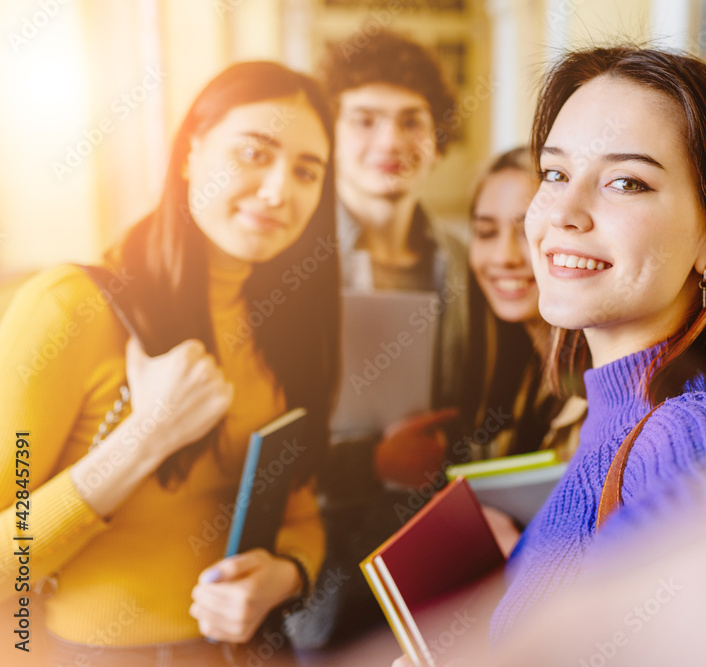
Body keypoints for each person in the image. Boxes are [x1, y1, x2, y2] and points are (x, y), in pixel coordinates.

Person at [0, 61, 339, 663]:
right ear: (190, 152)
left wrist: (283, 576)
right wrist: (145, 438)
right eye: (254, 153)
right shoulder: (68, 308)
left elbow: (301, 513)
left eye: (306, 171)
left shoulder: (287, 328)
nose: (278, 189)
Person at [480, 45, 706, 642]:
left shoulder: (691, 438)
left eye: (625, 182)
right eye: (554, 173)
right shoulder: (615, 413)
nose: (565, 213)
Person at [290, 31, 470, 650]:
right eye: (364, 120)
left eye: (410, 121)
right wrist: (368, 463)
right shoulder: (288, 266)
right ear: (332, 136)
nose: (390, 142)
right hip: (313, 578)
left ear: (437, 136)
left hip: (437, 567)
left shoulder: (469, 263)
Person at [458, 146, 585, 466]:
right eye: (486, 233)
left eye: (526, 231)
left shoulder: (599, 394)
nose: (504, 257)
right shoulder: (524, 376)